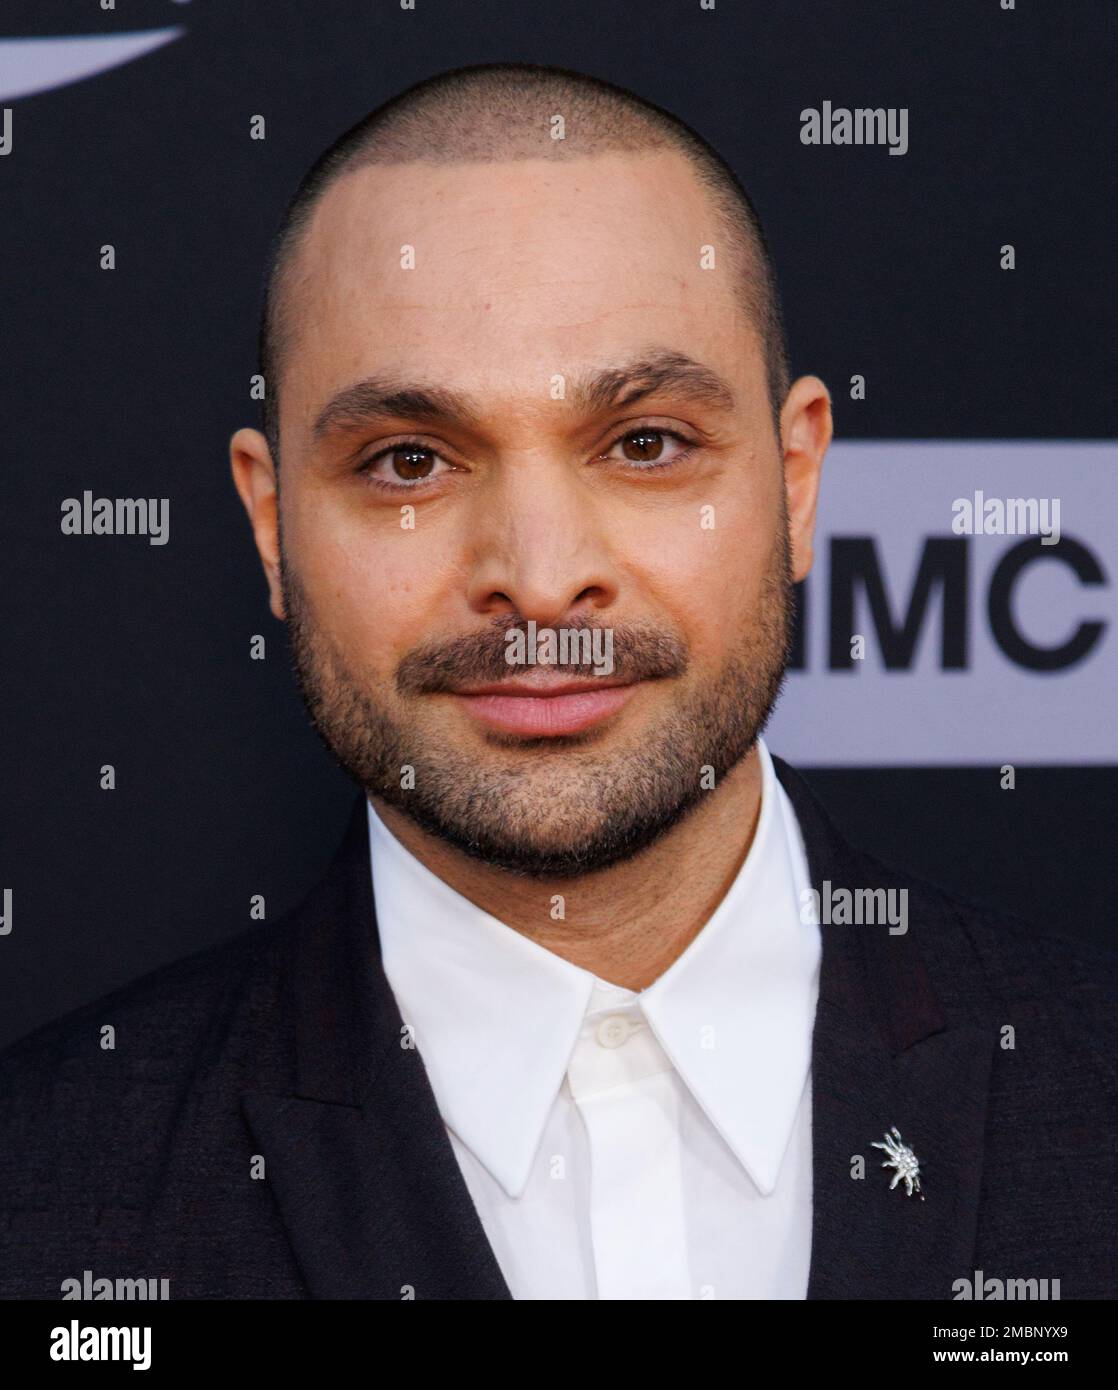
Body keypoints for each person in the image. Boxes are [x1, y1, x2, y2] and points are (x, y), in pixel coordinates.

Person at [2, 63, 1114, 1301]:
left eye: (645, 443)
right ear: (270, 526)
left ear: (796, 483)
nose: (537, 579)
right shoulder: (42, 1201)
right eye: (408, 459)